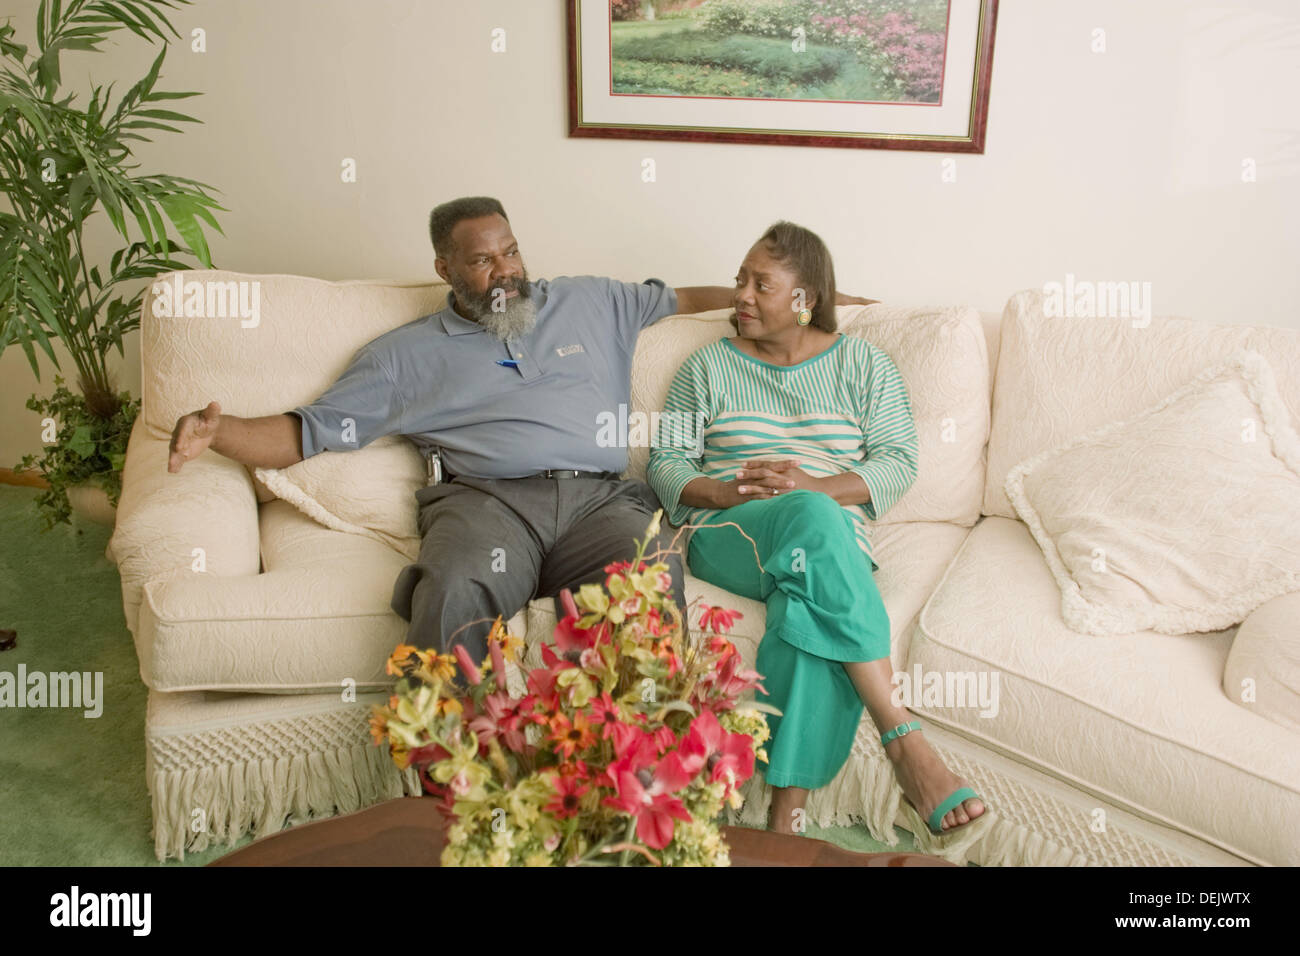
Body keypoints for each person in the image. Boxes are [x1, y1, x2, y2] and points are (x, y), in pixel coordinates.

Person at [165, 197, 872, 674]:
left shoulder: (591, 302)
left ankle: (638, 782)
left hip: (600, 502)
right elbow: (306, 433)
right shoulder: (405, 355)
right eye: (481, 260)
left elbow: (687, 299)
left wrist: (822, 312)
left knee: (651, 571)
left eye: (510, 252)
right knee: (451, 587)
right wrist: (218, 430)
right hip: (485, 502)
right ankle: (445, 797)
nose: (504, 271)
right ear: (445, 270)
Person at [646, 221, 987, 837]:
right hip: (731, 534)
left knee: (803, 607)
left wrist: (813, 487)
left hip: (823, 543)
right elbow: (666, 464)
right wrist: (723, 491)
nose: (741, 296)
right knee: (811, 522)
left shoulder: (865, 366)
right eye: (739, 280)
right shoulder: (707, 368)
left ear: (804, 300)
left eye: (761, 284)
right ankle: (902, 737)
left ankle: (784, 823)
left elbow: (897, 462)